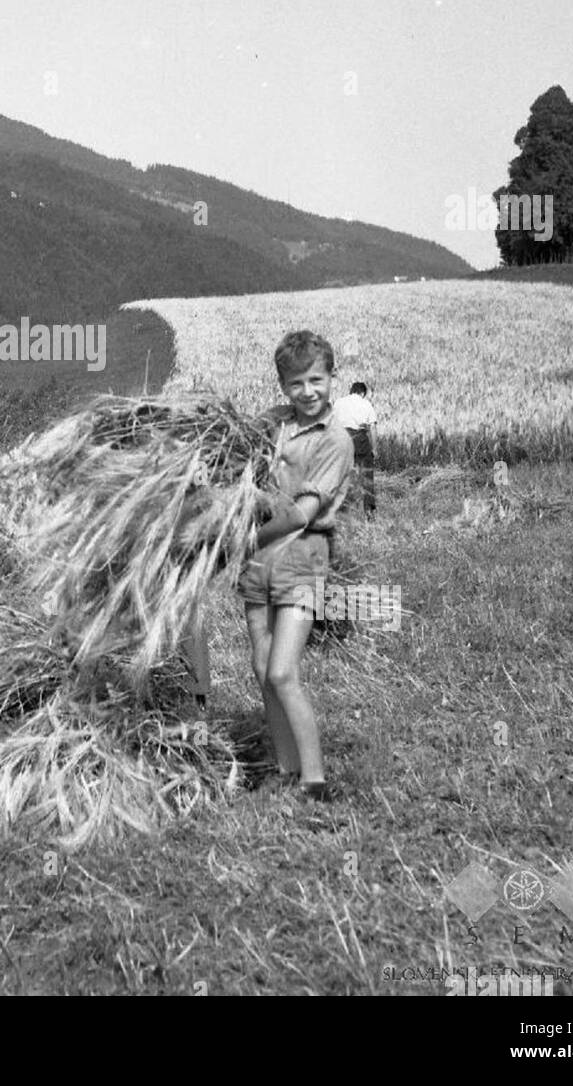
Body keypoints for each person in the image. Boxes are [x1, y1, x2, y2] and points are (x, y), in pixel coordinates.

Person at [237, 330, 354, 801]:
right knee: (263, 669)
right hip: (259, 564)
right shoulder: (273, 424)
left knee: (285, 672)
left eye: (316, 380)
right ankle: (285, 769)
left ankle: (315, 780)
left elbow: (302, 514)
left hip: (303, 561)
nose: (308, 392)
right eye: (296, 384)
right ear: (283, 386)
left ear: (332, 379)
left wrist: (239, 538)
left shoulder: (336, 442)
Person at [331, 380, 378, 515]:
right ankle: (369, 511)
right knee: (366, 475)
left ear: (351, 391)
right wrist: (374, 448)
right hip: (360, 440)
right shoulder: (366, 403)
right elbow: (372, 427)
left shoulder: (339, 402)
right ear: (362, 392)